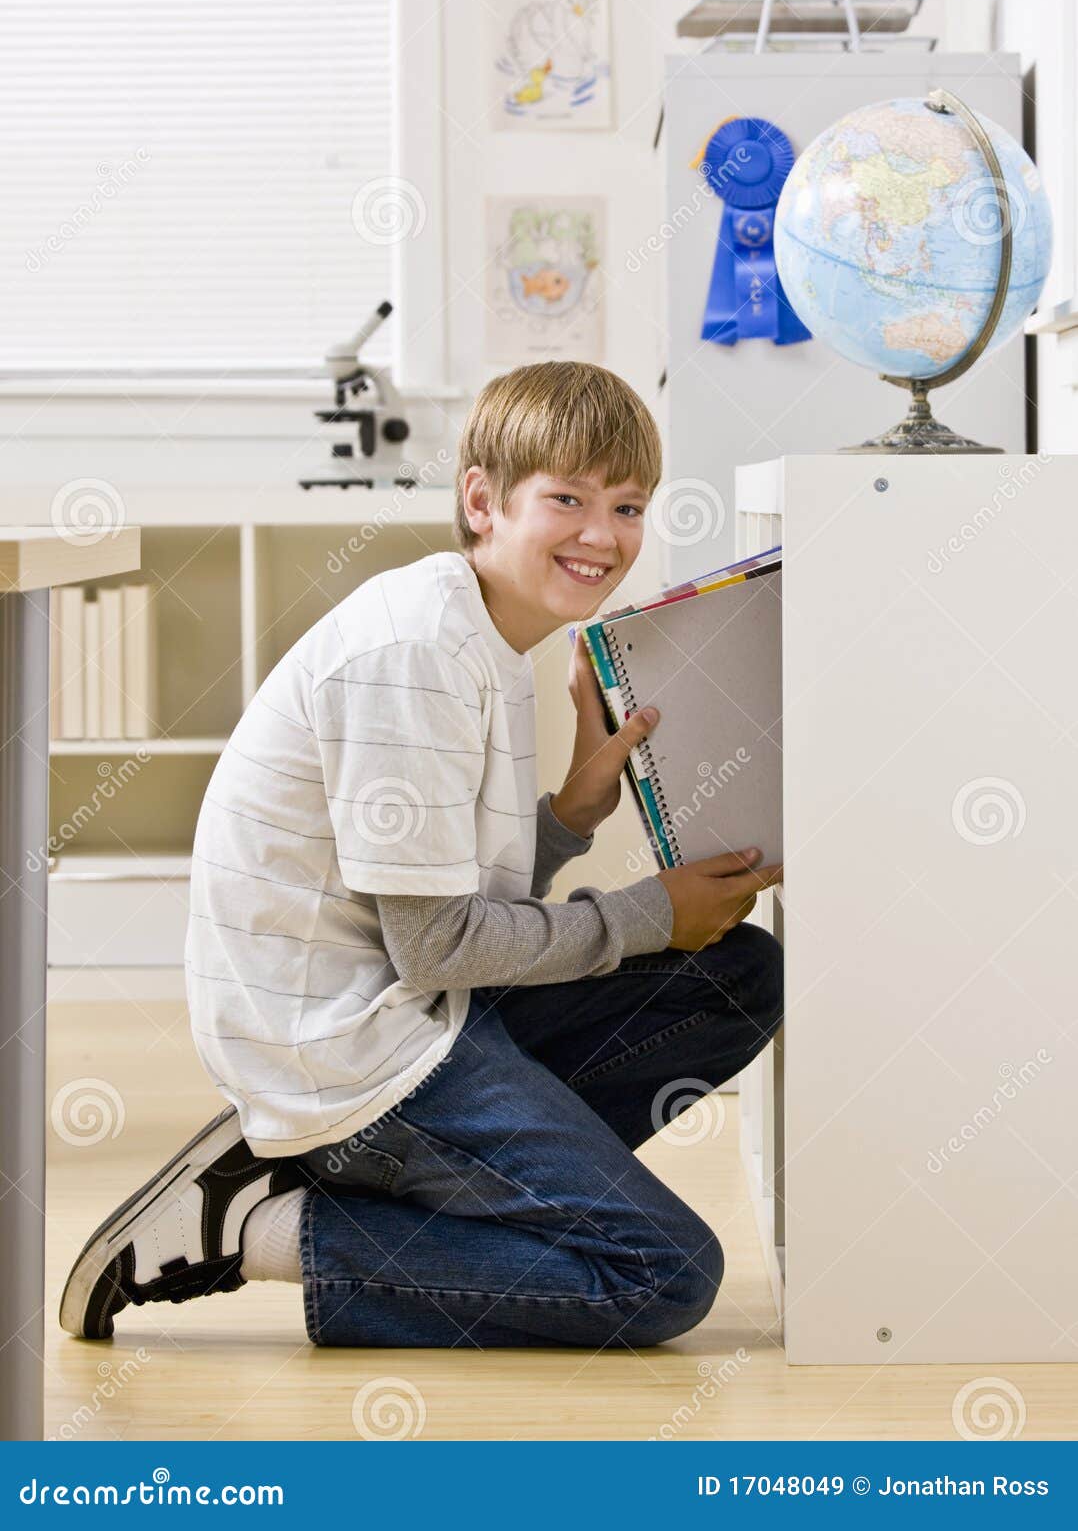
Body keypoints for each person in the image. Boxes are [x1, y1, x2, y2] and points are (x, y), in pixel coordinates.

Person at [60, 360, 783, 1349]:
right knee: (663, 1274)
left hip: (409, 1006)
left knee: (739, 973)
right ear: (482, 500)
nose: (603, 535)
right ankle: (260, 1225)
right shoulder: (419, 657)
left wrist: (572, 808)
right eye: (566, 498)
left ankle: (466, 1190)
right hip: (352, 1050)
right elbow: (439, 945)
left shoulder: (483, 638)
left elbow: (452, 897)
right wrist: (645, 911)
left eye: (627, 504)